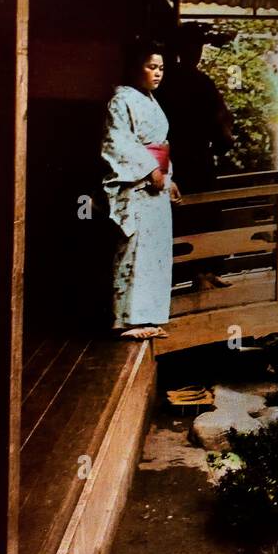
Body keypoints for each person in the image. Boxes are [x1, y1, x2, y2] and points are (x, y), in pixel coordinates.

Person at [102, 42, 180, 339]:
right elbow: (118, 142)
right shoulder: (121, 99)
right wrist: (150, 170)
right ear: (135, 67)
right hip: (137, 185)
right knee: (134, 248)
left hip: (155, 184)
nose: (157, 73)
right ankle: (127, 319)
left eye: (161, 68)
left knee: (155, 251)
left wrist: (167, 176)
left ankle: (148, 316)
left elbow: (161, 145)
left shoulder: (149, 100)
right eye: (151, 67)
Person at [156, 24, 234, 289]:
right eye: (194, 47)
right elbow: (221, 124)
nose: (197, 52)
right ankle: (202, 271)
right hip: (192, 160)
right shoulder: (197, 82)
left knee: (190, 216)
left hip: (174, 160)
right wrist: (223, 142)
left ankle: (201, 271)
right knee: (201, 214)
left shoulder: (167, 82)